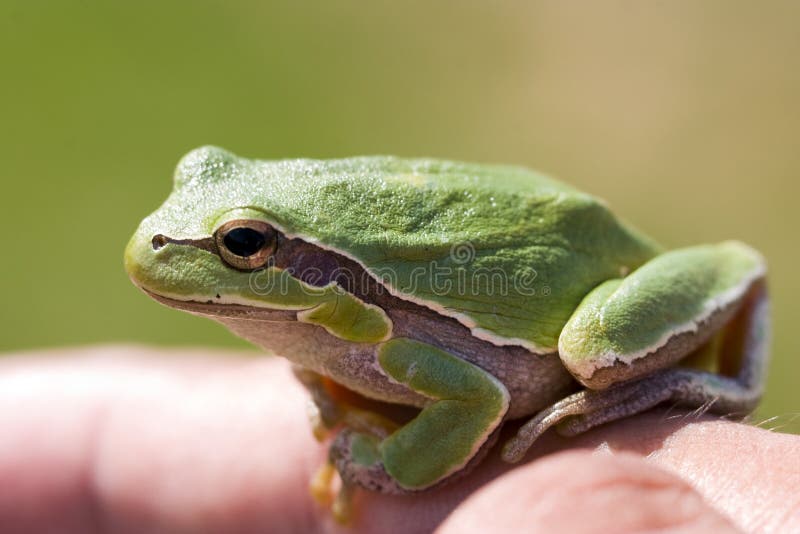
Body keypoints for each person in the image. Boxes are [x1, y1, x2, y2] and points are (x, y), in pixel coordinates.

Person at [0, 346, 797, 533]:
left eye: (242, 248)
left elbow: (479, 395)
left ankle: (693, 379)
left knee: (594, 350)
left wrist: (381, 461)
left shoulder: (389, 342)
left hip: (573, 311)